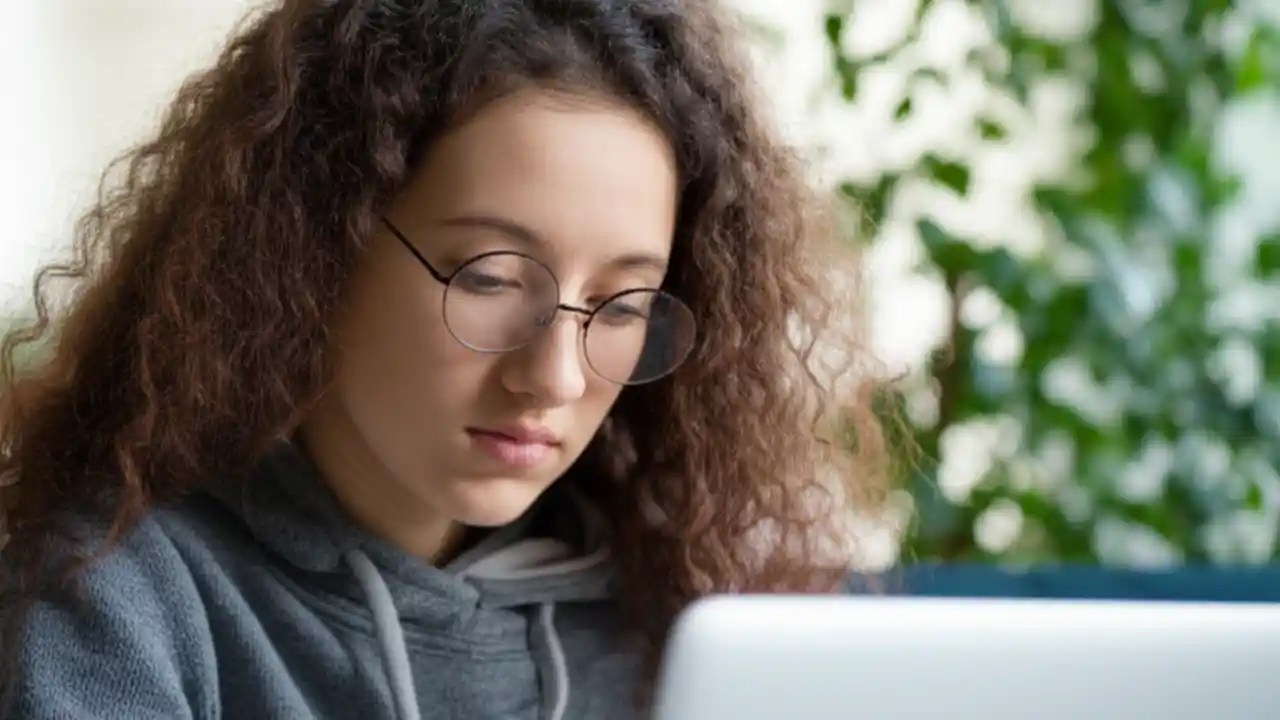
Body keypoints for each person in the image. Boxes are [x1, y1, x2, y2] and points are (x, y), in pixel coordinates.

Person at [0, 0, 890, 718]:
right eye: (492, 278)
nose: (557, 377)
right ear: (319, 253)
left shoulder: (687, 620)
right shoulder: (128, 608)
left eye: (621, 304)